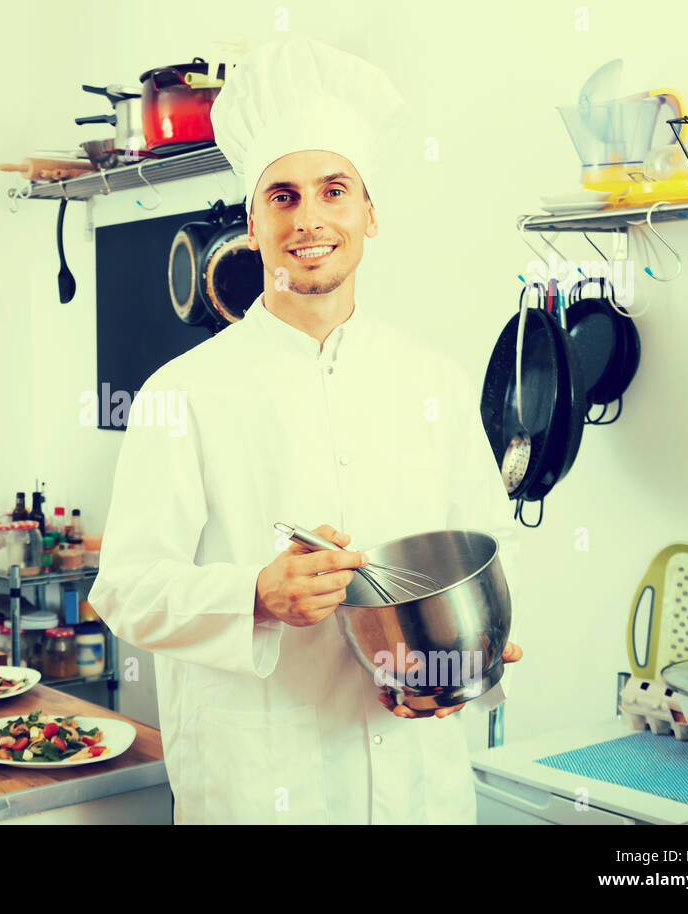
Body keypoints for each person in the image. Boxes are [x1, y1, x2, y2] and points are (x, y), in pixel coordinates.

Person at [88, 39, 523, 825]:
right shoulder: (180, 393)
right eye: (282, 196)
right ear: (252, 223)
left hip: (420, 786)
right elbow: (125, 587)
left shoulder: (436, 383)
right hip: (257, 789)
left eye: (334, 190)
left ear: (370, 212)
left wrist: (475, 657)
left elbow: (490, 546)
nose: (310, 219)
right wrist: (253, 593)